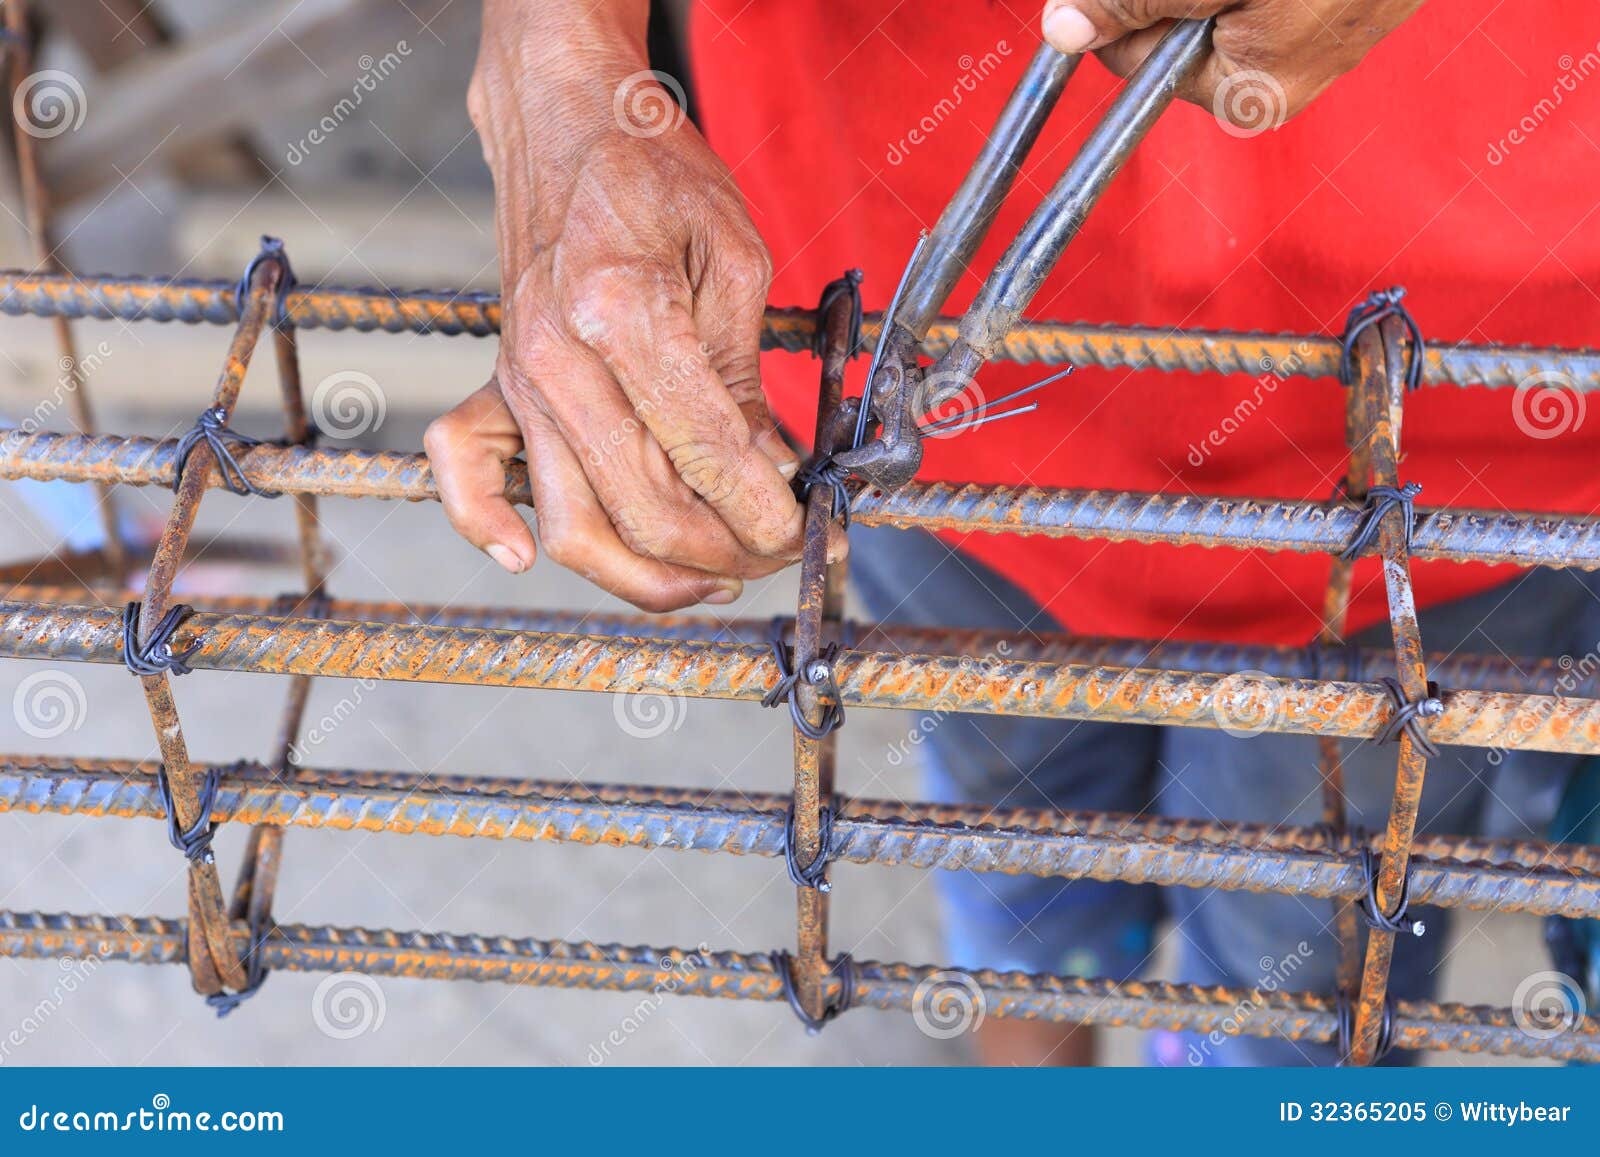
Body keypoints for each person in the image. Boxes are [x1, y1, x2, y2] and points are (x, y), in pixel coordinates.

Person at [424, 1, 1600, 1065]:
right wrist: (559, 43)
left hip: (1459, 399)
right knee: (1011, 842)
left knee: (1302, 959)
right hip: (911, 315)